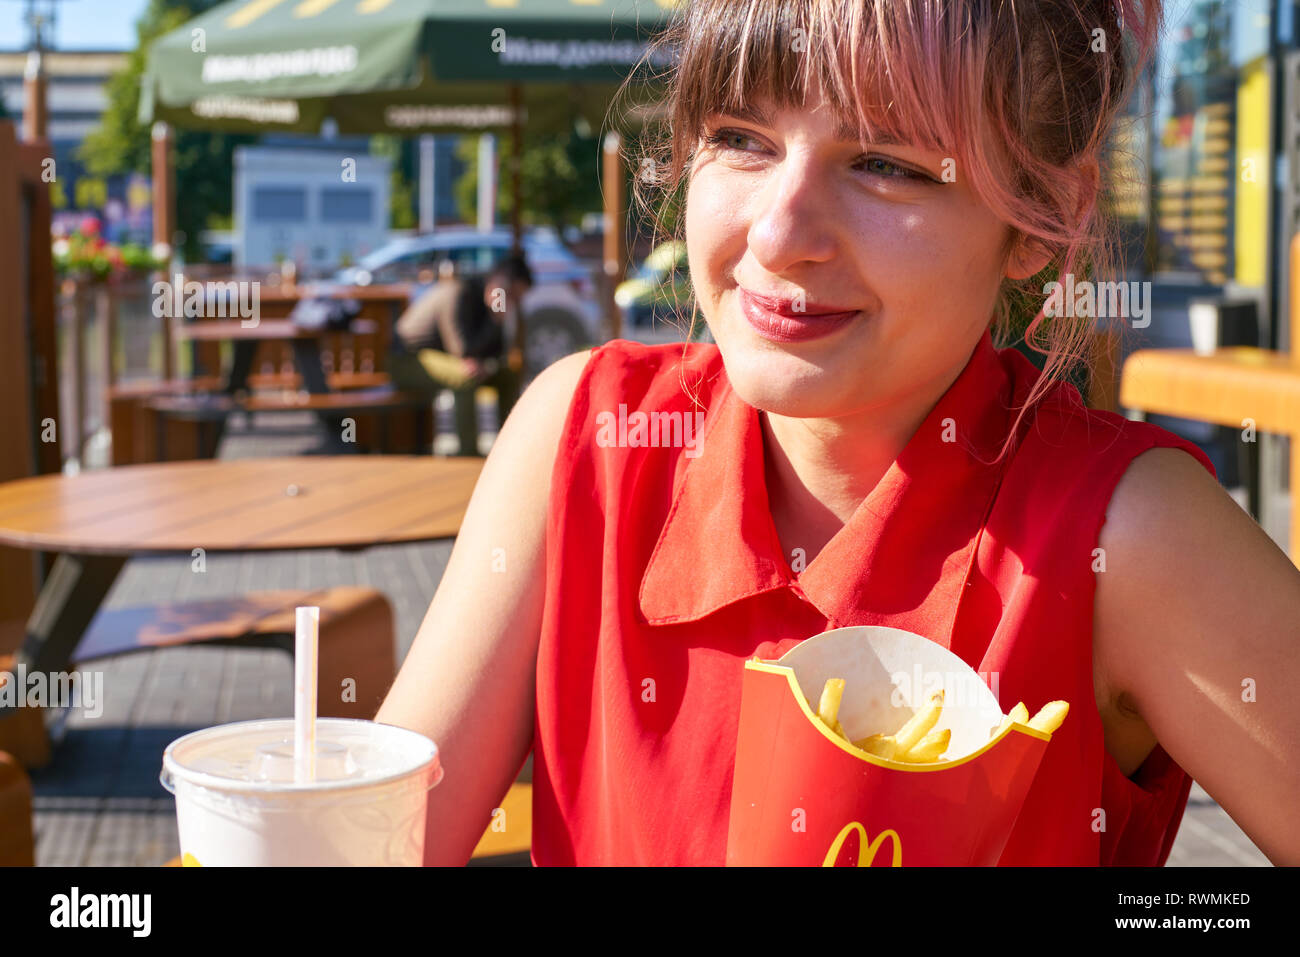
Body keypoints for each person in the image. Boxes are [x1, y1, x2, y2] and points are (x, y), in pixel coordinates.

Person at [376, 0, 1300, 865]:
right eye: (740, 140)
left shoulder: (1125, 534)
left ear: (1042, 216)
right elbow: (369, 839)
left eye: (887, 163)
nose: (780, 234)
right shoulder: (580, 438)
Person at [388, 252, 532, 456]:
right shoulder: (458, 291)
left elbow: (496, 353)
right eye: (511, 294)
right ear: (500, 282)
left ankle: (506, 452)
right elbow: (462, 350)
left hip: (446, 359)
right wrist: (495, 312)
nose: (512, 301)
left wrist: (497, 318)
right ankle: (468, 455)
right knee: (465, 376)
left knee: (507, 375)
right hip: (408, 359)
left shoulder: (489, 302)